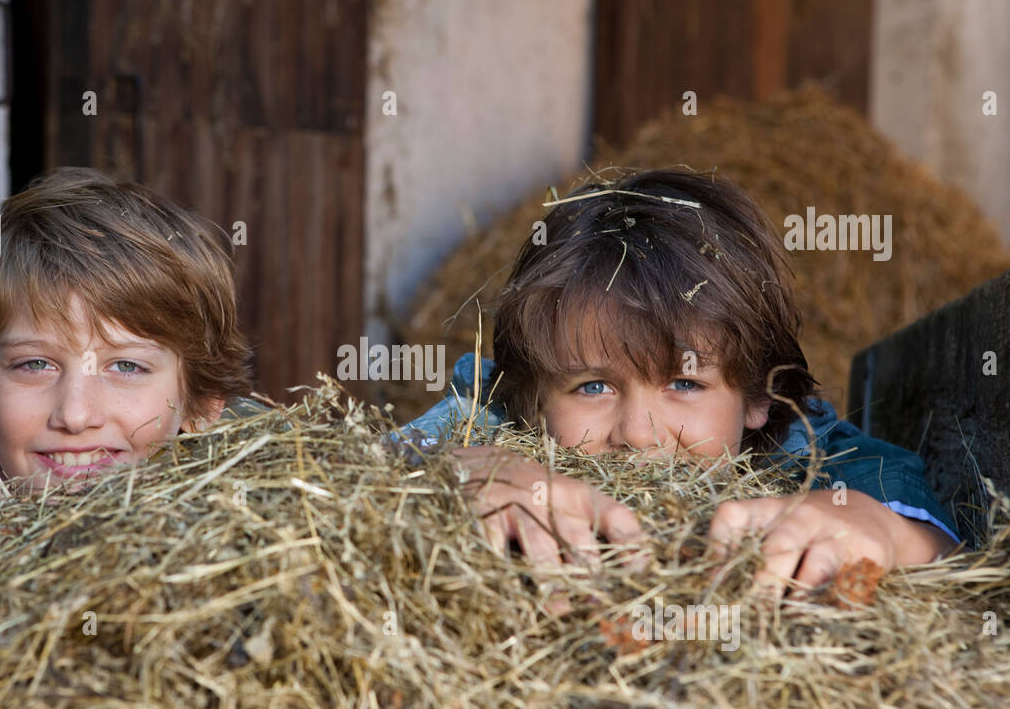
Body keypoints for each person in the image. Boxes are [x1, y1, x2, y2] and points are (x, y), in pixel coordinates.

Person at [400, 169, 959, 603]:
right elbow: (369, 464)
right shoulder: (501, 423)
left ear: (759, 396)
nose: (639, 436)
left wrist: (878, 528)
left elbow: (930, 539)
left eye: (684, 383)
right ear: (533, 400)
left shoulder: (816, 460)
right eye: (593, 387)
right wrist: (465, 469)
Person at [0, 167, 258, 504]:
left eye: (126, 366)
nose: (74, 416)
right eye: (35, 364)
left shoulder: (254, 512)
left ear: (202, 403)